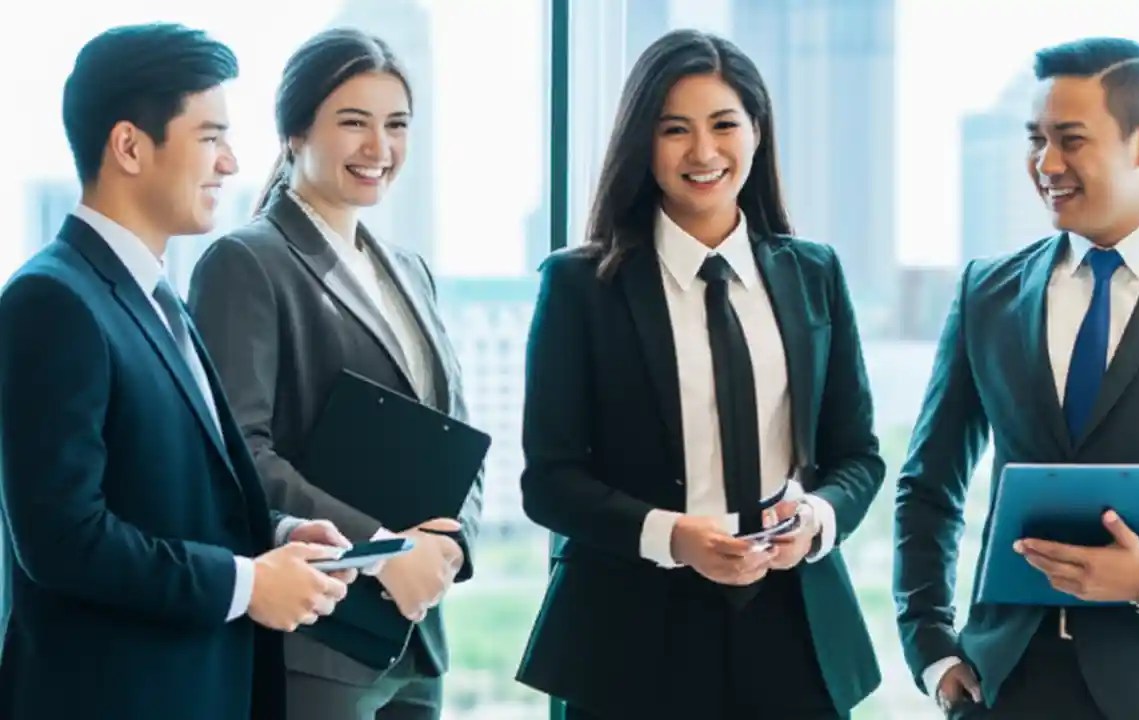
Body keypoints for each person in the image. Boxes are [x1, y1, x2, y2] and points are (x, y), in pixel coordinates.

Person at [893, 37, 1139, 720]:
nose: (1046, 164)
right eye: (1036, 139)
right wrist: (931, 645)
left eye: (1070, 140)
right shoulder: (989, 292)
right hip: (1004, 683)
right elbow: (928, 486)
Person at [516, 29, 884, 720]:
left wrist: (817, 518)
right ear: (641, 144)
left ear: (758, 131)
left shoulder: (813, 274)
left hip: (791, 625)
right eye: (674, 129)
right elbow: (550, 482)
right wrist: (674, 536)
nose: (704, 152)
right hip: (631, 631)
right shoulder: (581, 285)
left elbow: (857, 455)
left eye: (724, 125)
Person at [0, 23, 357, 720]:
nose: (230, 163)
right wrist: (246, 583)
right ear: (130, 145)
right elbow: (64, 540)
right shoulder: (51, 301)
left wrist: (279, 536)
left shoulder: (157, 295)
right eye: (209, 136)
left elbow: (168, 496)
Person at [187, 28, 481, 720]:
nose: (379, 149)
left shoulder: (410, 271)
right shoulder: (247, 262)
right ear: (293, 133)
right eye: (354, 123)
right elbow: (237, 458)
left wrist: (450, 547)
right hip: (314, 639)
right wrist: (383, 552)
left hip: (416, 636)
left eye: (396, 125)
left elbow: (457, 433)